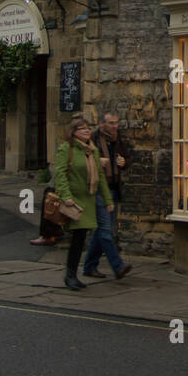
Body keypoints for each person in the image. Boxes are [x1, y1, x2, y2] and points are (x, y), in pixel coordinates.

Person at [52, 116, 116, 291]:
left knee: (80, 240)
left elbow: (100, 177)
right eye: (82, 128)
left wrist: (107, 200)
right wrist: (66, 197)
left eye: (88, 128)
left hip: (89, 199)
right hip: (74, 201)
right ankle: (70, 276)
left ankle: (74, 274)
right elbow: (60, 173)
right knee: (77, 238)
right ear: (73, 133)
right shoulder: (67, 149)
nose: (87, 131)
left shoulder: (92, 151)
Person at [83, 111, 132, 281]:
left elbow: (126, 157)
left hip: (113, 187)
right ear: (102, 124)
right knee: (106, 229)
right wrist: (99, 162)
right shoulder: (94, 139)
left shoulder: (117, 139)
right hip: (98, 189)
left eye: (116, 122)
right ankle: (117, 266)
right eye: (111, 123)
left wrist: (123, 162)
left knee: (102, 230)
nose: (114, 126)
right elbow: (85, 161)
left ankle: (89, 266)